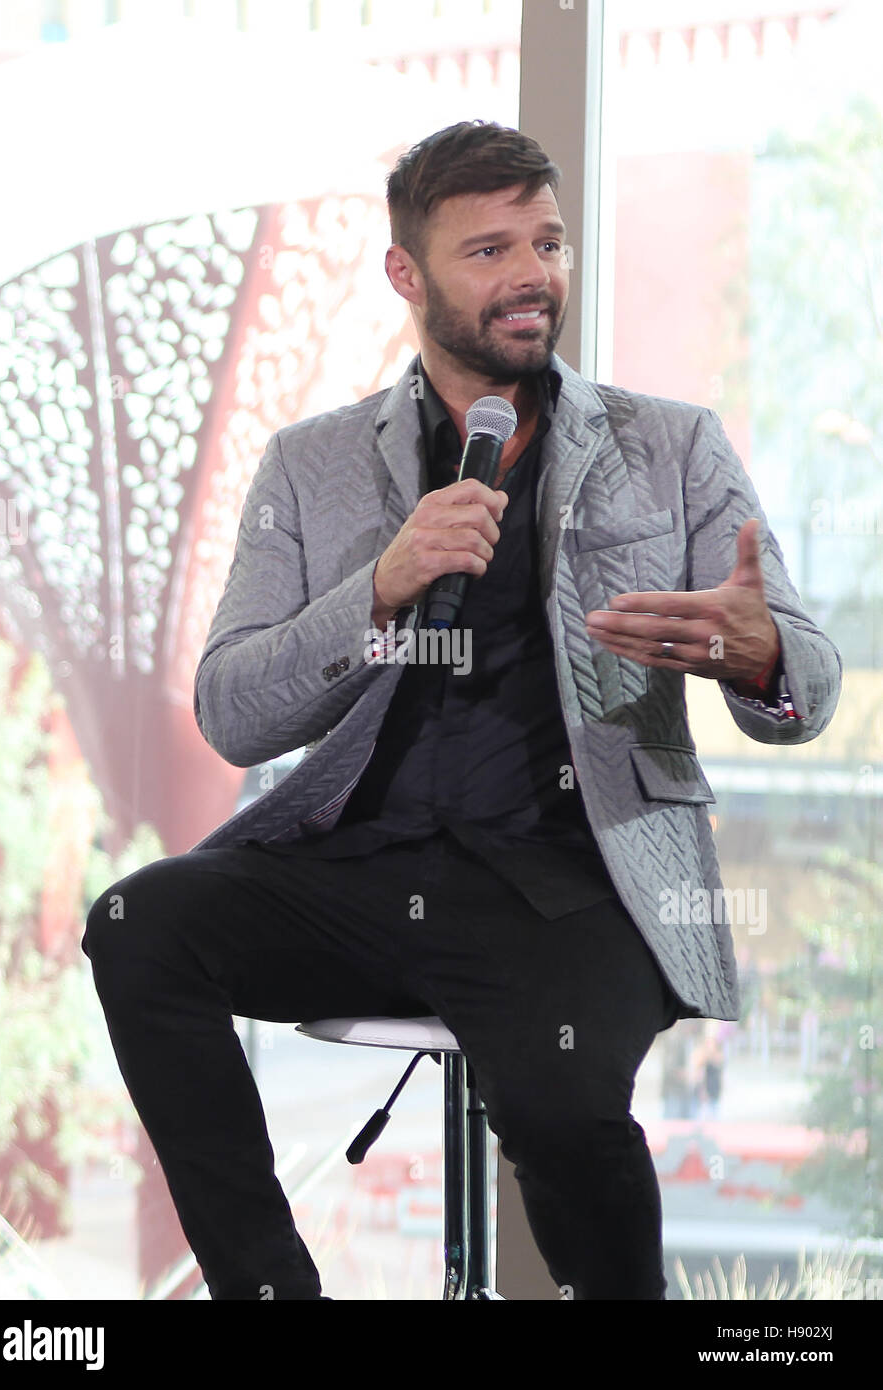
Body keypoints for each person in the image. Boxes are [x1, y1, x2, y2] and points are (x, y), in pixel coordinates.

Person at [81, 120, 841, 1301]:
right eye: (488, 250)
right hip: (360, 867)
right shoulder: (309, 467)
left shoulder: (672, 448)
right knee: (138, 925)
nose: (532, 274)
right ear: (407, 275)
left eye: (547, 242)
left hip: (577, 876)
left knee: (557, 1096)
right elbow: (232, 713)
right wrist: (376, 588)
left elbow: (808, 687)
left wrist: (761, 659)